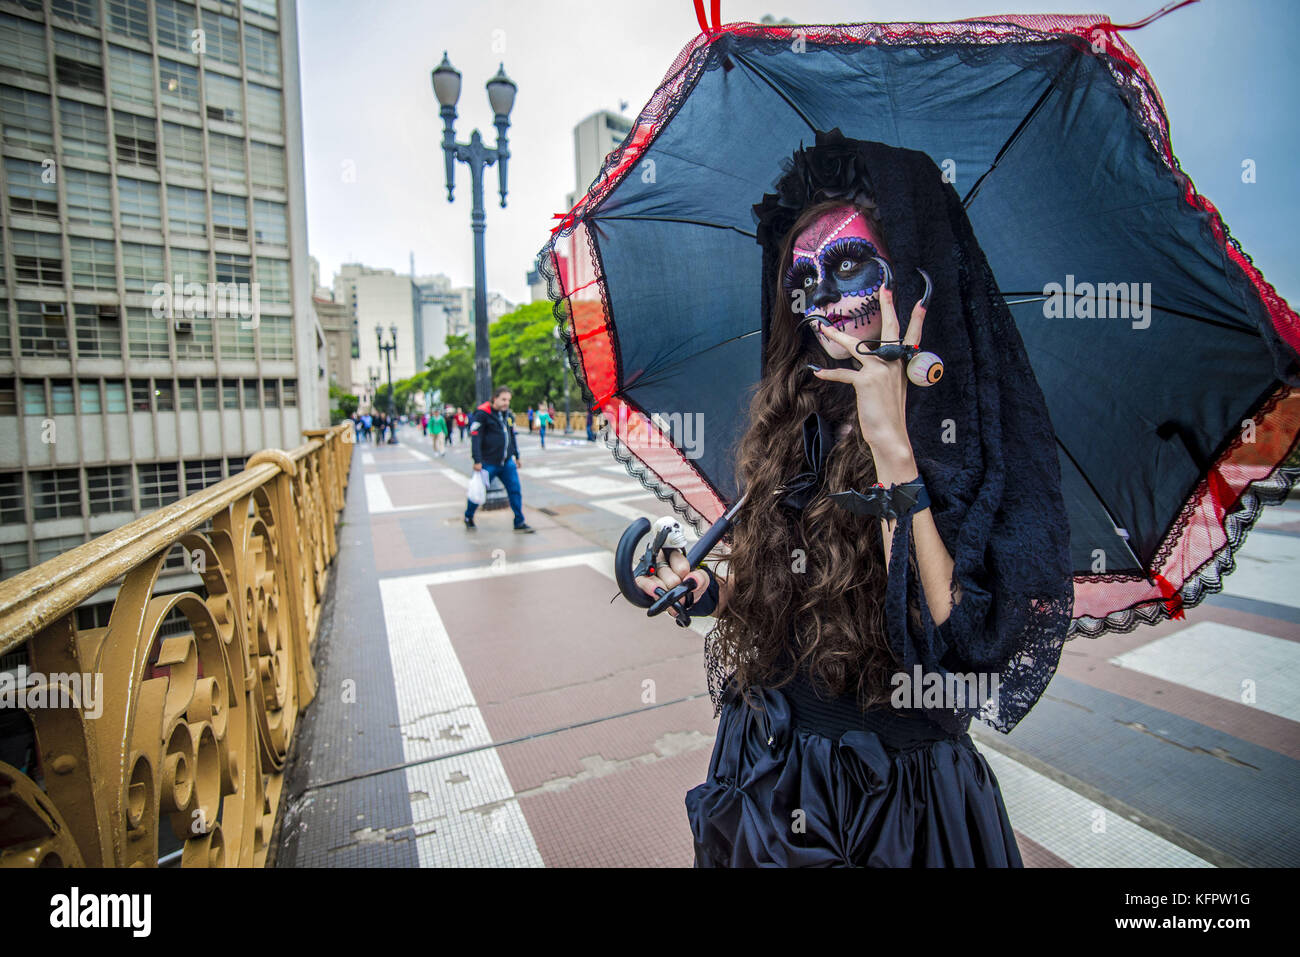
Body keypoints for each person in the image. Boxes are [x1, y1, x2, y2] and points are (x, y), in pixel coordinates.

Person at [629, 133, 1073, 867]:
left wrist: (896, 447)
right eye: (804, 279)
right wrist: (713, 587)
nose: (825, 296)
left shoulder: (967, 432)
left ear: (906, 268)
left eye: (847, 262)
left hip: (889, 805)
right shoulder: (796, 411)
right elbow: (806, 591)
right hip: (767, 771)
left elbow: (959, 645)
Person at [464, 386, 534, 533]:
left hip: (507, 462)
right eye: (503, 399)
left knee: (515, 490)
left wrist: (517, 455)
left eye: (508, 400)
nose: (506, 403)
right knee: (478, 490)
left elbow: (511, 436)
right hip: (488, 463)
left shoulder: (508, 415)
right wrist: (477, 460)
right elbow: (476, 438)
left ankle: (519, 521)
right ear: (494, 398)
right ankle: (468, 516)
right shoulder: (482, 414)